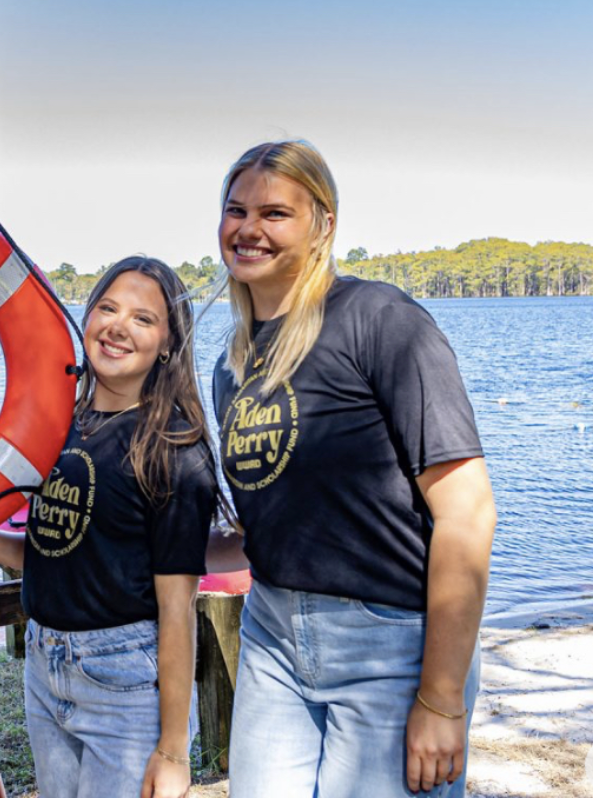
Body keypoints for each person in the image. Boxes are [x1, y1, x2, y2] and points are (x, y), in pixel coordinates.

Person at [205, 141, 497, 797]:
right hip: (272, 637)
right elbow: (272, 529)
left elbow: (467, 511)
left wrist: (443, 697)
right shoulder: (232, 367)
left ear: (323, 224)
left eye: (275, 213)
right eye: (236, 210)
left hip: (389, 640)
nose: (249, 228)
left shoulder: (382, 321)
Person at [0, 256, 231, 798]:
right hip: (43, 666)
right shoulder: (60, 426)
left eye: (142, 318)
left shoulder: (175, 451)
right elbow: (43, 550)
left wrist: (173, 749)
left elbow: (176, 609)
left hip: (125, 680)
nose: (117, 326)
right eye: (107, 308)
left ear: (167, 344)